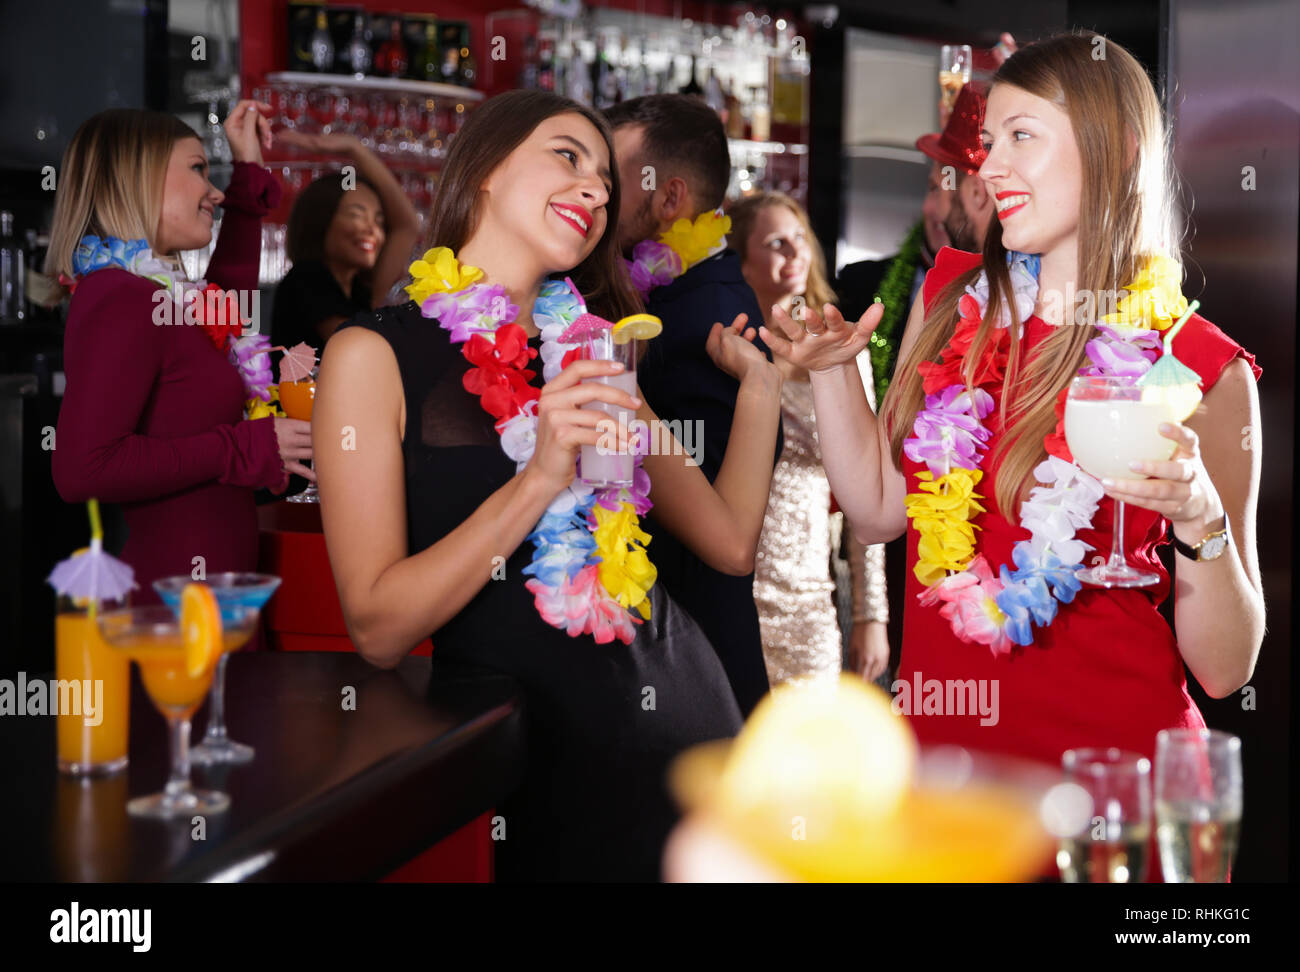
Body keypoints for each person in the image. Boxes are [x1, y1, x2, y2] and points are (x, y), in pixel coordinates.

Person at [760, 32, 1264, 772]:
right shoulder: (953, 298)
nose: (989, 167)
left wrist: (1200, 516)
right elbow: (875, 512)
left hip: (1113, 774)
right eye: (990, 142)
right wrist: (835, 372)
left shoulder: (1197, 365)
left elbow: (1226, 670)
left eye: (1021, 137)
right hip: (946, 766)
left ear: (1117, 149)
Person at [314, 90, 784, 882]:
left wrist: (765, 390)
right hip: (550, 772)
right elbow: (378, 625)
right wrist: (539, 478)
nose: (599, 189)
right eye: (568, 156)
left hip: (692, 729)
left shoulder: (597, 358)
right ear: (486, 168)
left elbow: (732, 544)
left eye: (606, 176)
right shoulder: (371, 356)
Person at [50, 103, 312, 602]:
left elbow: (227, 300)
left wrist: (247, 168)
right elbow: (82, 469)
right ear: (139, 175)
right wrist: (242, 448)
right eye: (197, 169)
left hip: (213, 599)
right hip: (173, 611)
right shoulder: (119, 296)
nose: (212, 191)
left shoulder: (164, 300)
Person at [604, 93, 783, 717]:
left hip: (687, 669)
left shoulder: (708, 321)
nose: (595, 193)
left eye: (610, 175)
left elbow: (713, 526)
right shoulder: (660, 292)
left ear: (669, 197)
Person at [729, 191, 890, 685]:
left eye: (800, 239)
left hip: (809, 596)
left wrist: (870, 613)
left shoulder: (840, 348)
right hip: (734, 590)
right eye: (776, 243)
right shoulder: (726, 346)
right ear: (740, 259)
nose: (796, 253)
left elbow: (871, 487)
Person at [269, 131, 421, 354]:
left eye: (379, 220)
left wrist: (356, 149)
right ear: (321, 221)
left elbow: (407, 226)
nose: (372, 230)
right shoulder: (307, 279)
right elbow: (356, 346)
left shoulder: (357, 289)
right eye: (357, 215)